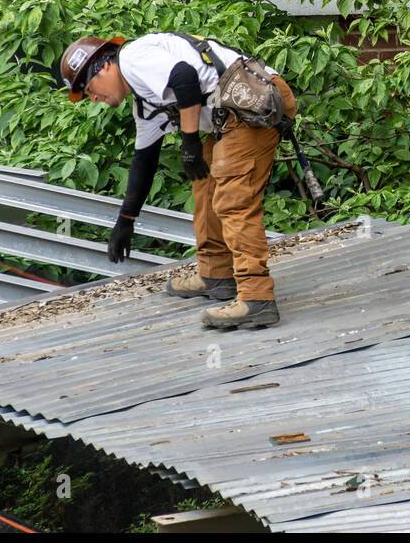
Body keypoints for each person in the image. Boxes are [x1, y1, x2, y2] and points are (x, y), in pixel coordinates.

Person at [60, 31, 297, 330]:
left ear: (104, 66)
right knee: (206, 186)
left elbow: (184, 76)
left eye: (88, 87)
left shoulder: (133, 59)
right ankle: (216, 274)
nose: (93, 98)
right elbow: (143, 161)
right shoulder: (145, 103)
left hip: (255, 101)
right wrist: (126, 220)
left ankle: (256, 298)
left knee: (234, 200)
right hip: (234, 114)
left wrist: (189, 143)